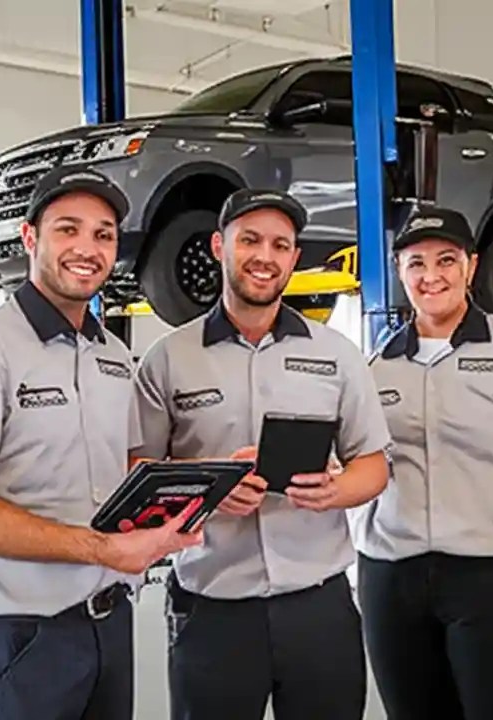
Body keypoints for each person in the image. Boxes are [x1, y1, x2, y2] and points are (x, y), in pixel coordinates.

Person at [0, 165, 203, 720]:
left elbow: (130, 473)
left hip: (108, 627)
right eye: (67, 229)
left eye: (103, 234)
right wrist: (100, 549)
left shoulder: (115, 359)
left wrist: (208, 481)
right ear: (30, 238)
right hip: (18, 640)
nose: (87, 247)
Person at [132, 188, 393, 720]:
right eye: (249, 240)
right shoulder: (168, 358)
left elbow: (374, 465)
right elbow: (136, 472)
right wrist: (210, 488)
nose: (264, 256)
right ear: (218, 246)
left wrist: (335, 489)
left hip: (318, 606)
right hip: (212, 607)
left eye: (280, 245)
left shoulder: (335, 354)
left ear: (294, 260)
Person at [353, 206, 493, 719]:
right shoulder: (378, 364)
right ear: (399, 271)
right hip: (393, 575)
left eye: (446, 260)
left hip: (492, 572)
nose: (431, 276)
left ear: (471, 267)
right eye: (416, 264)